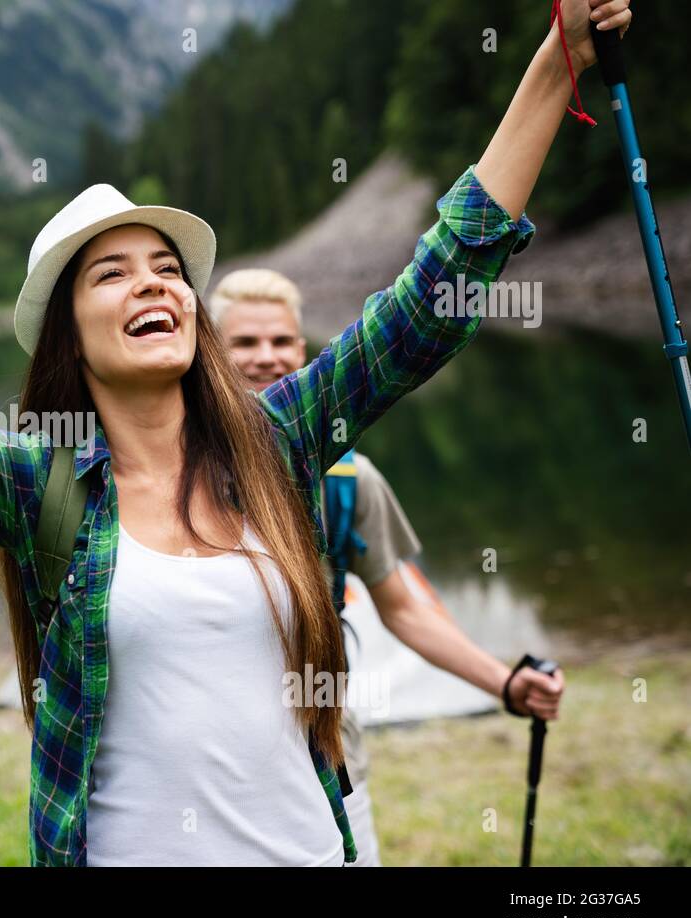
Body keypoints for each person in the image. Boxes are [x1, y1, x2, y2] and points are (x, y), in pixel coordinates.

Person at [0, 0, 630, 865]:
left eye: (165, 267)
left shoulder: (277, 444)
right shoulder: (37, 489)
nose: (152, 281)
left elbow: (426, 305)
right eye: (110, 274)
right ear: (70, 336)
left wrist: (554, 61)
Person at [210, 267, 568, 866]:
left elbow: (404, 607)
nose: (268, 357)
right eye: (245, 343)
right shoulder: (163, 475)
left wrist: (503, 684)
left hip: (328, 756)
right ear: (213, 355)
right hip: (211, 771)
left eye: (282, 341)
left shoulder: (350, 480)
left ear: (303, 349)